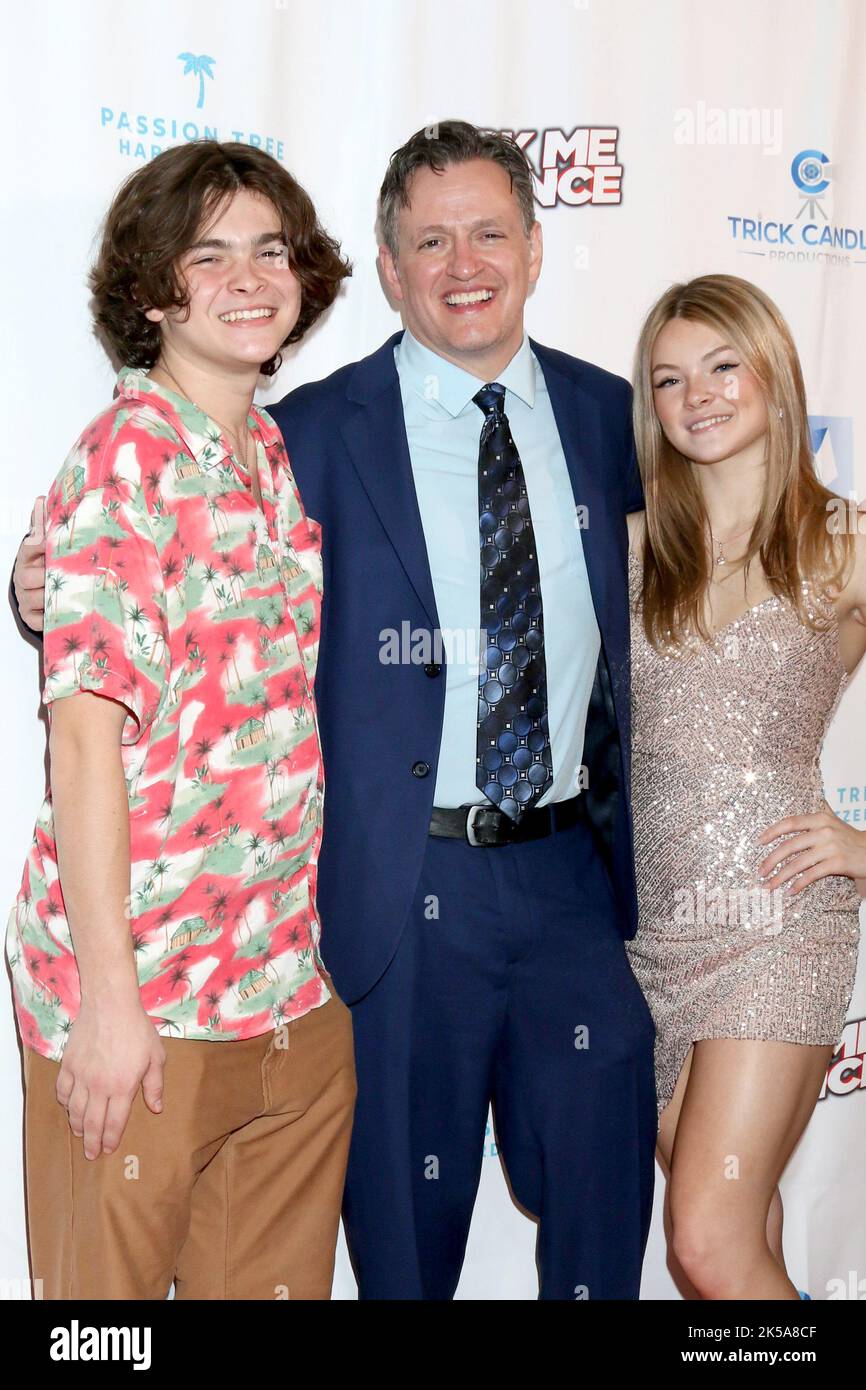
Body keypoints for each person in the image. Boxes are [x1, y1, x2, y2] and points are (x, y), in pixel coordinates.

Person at [15, 120, 656, 1301]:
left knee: (598, 1221)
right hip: (378, 902)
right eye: (427, 241)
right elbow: (93, 666)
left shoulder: (607, 418)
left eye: (487, 233)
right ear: (389, 263)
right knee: (364, 1257)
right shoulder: (312, 431)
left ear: (533, 244)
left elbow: (736, 532)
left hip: (513, 894)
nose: (462, 262)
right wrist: (35, 575)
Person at [6, 139, 356, 1300]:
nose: (249, 277)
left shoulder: (268, 453)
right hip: (141, 1005)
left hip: (284, 997)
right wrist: (110, 1007)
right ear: (154, 291)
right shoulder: (126, 460)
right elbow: (83, 738)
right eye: (208, 256)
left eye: (269, 249)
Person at [625, 273, 865, 1299]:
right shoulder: (630, 550)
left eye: (723, 365)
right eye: (670, 379)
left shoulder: (843, 543)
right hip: (639, 939)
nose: (699, 396)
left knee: (706, 1241)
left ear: (774, 372)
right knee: (740, 1230)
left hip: (775, 922)